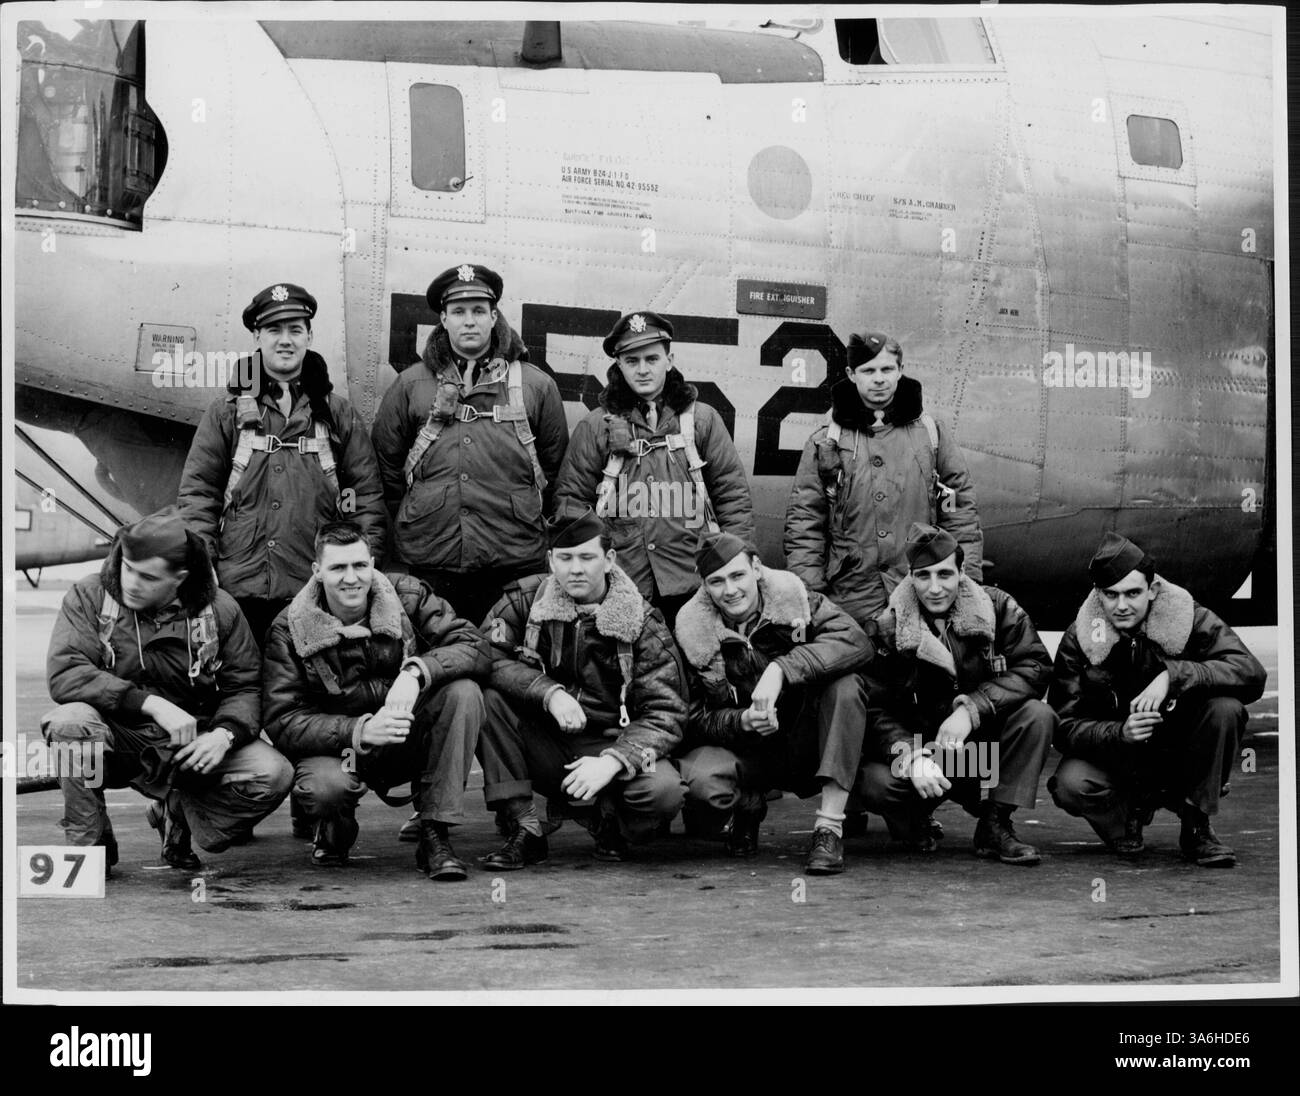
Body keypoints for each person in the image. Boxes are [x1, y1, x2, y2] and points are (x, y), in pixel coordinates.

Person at [41, 508, 291, 876]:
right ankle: (89, 852)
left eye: (147, 576)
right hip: (116, 739)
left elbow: (245, 686)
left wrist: (225, 734)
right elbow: (66, 672)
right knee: (69, 724)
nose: (131, 583)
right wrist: (149, 704)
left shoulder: (220, 611)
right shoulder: (90, 596)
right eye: (127, 568)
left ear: (179, 578)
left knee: (273, 773)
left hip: (190, 744)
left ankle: (177, 813)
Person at [261, 521, 490, 879]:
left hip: (405, 736)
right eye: (337, 568)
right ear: (317, 571)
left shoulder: (408, 597)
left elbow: (474, 645)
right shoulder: (289, 627)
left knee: (464, 693)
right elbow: (282, 719)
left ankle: (434, 833)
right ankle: (334, 826)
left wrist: (417, 672)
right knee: (326, 789)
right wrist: (360, 730)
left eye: (360, 566)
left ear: (372, 563)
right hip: (342, 751)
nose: (351, 578)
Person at [476, 504, 688, 868]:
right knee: (485, 699)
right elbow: (483, 657)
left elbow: (666, 712)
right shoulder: (524, 601)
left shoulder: (641, 620)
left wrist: (615, 761)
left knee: (663, 791)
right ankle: (525, 827)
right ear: (550, 560)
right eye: (566, 557)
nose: (576, 568)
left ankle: (610, 817)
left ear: (609, 560)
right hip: (548, 741)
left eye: (587, 557)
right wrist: (548, 693)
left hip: (614, 740)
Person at [177, 282, 387, 649]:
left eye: (295, 330)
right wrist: (203, 565)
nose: (285, 340)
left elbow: (364, 496)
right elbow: (199, 495)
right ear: (257, 336)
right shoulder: (226, 412)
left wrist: (363, 566)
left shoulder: (336, 414)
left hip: (315, 589)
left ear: (309, 335)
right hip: (239, 584)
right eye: (274, 329)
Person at [1047, 532, 1266, 866]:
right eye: (1111, 595)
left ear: (1152, 590)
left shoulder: (1189, 618)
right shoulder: (1080, 637)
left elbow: (1250, 673)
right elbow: (1063, 725)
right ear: (1098, 595)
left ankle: (1197, 828)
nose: (1121, 606)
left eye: (1133, 593)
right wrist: (1120, 733)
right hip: (1121, 761)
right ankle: (1125, 822)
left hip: (1181, 755)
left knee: (1226, 710)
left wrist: (1173, 676)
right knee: (1070, 783)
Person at [370, 263, 568, 628]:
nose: (469, 321)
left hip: (513, 559)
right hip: (433, 559)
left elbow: (556, 472)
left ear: (494, 316)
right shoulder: (410, 386)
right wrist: (427, 513)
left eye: (479, 311)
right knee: (440, 664)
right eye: (458, 312)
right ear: (443, 320)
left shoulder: (537, 387)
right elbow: (386, 471)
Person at [673, 532, 872, 873]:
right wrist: (742, 721)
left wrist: (784, 667)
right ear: (705, 586)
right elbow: (693, 716)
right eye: (717, 582)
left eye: (738, 576)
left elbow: (855, 641)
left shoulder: (797, 602)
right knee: (702, 780)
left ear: (757, 568)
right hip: (748, 750)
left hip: (808, 741)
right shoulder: (694, 632)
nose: (730, 590)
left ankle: (829, 828)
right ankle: (747, 802)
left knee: (846, 686)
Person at [859, 523, 1055, 865]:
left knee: (1038, 716)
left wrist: (972, 709)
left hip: (979, 755)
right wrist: (913, 756)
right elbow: (874, 709)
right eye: (924, 577)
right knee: (876, 783)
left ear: (962, 572)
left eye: (945, 574)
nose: (935, 588)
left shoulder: (997, 609)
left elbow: (1036, 666)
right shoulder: (888, 628)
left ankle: (995, 824)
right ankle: (911, 817)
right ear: (911, 577)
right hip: (927, 757)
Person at [552, 311, 754, 628]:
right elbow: (572, 505)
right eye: (632, 361)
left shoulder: (701, 421)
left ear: (669, 360)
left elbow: (733, 498)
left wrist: (736, 569)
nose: (643, 369)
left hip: (695, 581)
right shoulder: (595, 426)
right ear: (618, 364)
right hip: (624, 585)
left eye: (652, 358)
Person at [785, 331, 982, 629]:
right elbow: (805, 524)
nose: (879, 379)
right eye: (868, 370)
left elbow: (960, 513)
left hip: (919, 593)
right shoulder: (826, 442)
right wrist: (811, 596)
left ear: (900, 370)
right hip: (850, 599)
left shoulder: (932, 436)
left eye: (887, 369)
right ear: (852, 374)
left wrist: (966, 585)